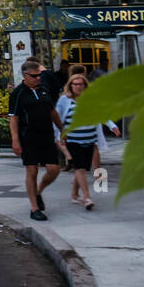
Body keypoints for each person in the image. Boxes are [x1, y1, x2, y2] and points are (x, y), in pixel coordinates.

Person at [10, 60, 66, 221]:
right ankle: (34, 208)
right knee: (32, 170)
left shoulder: (44, 90)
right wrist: (15, 140)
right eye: (34, 76)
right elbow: (13, 118)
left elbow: (53, 112)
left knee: (54, 169)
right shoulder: (18, 93)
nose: (38, 78)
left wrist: (62, 130)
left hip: (47, 134)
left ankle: (38, 191)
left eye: (39, 75)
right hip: (28, 136)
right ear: (25, 75)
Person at [55, 74, 98, 210]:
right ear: (70, 86)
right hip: (73, 140)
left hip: (89, 139)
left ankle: (74, 194)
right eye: (76, 84)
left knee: (83, 168)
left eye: (81, 84)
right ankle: (87, 197)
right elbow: (57, 117)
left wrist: (112, 126)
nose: (79, 87)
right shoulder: (64, 100)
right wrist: (59, 135)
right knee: (80, 168)